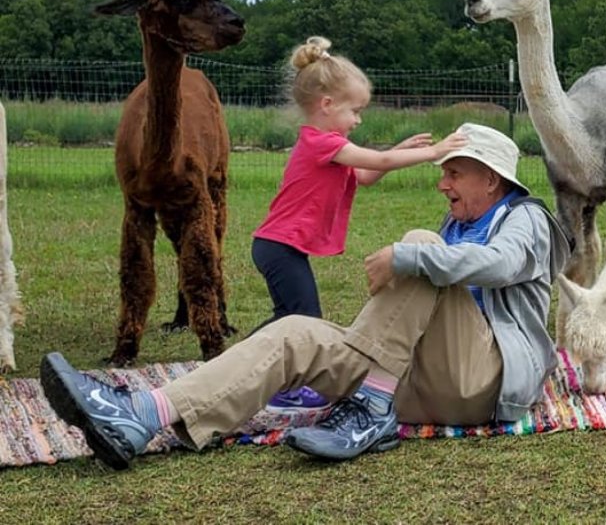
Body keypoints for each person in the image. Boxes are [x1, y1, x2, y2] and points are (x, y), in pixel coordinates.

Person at [39, 122, 569, 470]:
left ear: (493, 180)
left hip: (483, 384)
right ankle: (141, 417)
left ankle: (369, 406)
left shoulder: (525, 219)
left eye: (453, 172)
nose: (442, 184)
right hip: (414, 381)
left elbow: (501, 264)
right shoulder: (456, 224)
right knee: (293, 332)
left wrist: (408, 258)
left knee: (419, 246)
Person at [252, 36, 466, 412]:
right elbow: (376, 163)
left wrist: (399, 149)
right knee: (302, 318)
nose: (359, 119)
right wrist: (432, 152)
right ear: (327, 105)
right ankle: (277, 387)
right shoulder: (322, 143)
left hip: (281, 247)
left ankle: (248, 366)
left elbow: (367, 174)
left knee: (290, 315)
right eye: (355, 110)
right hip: (278, 247)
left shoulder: (331, 147)